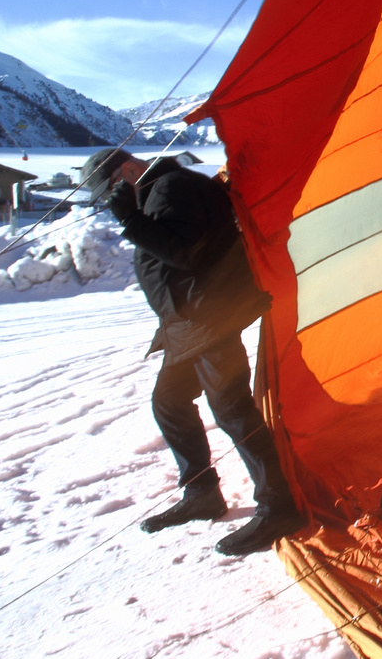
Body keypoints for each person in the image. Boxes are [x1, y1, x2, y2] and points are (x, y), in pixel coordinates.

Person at [80, 148, 306, 556]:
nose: (111, 196)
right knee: (169, 402)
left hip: (210, 316)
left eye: (112, 186)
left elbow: (184, 251)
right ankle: (201, 493)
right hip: (189, 324)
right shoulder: (159, 190)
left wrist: (131, 219)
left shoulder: (172, 186)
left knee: (232, 409)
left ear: (128, 169)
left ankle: (279, 507)